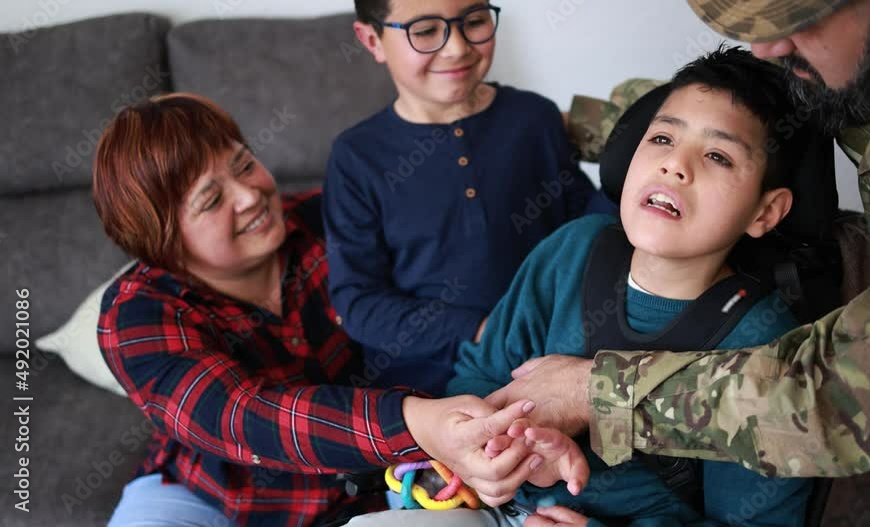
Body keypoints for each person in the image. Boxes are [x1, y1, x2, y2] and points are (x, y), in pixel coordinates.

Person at [488, 0, 870, 525]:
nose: (766, 50)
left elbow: (844, 398)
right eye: (660, 139)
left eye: (796, 25)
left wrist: (595, 392)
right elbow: (726, 109)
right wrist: (542, 125)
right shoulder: (574, 253)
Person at [347, 46, 817, 527]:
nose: (676, 164)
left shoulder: (763, 342)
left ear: (766, 211)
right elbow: (480, 372)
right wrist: (488, 445)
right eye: (661, 138)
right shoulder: (574, 250)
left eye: (717, 155)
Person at [93, 93, 585, 527]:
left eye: (243, 165)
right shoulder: (138, 312)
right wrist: (416, 423)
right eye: (211, 199)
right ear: (165, 240)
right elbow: (245, 415)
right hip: (207, 494)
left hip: (368, 488)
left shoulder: (332, 219)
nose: (249, 196)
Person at [324, 0, 606, 396]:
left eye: (474, 22)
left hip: (551, 359)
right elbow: (360, 303)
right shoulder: (356, 156)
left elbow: (585, 229)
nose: (457, 47)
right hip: (428, 386)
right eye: (425, 31)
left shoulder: (533, 117)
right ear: (371, 40)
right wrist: (483, 328)